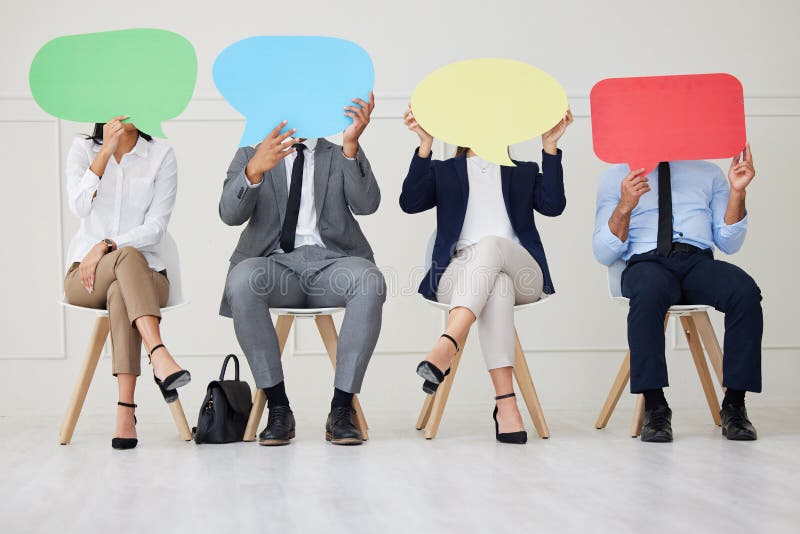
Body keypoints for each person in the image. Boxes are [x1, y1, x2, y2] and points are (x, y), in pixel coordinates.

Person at [219, 93, 385, 447]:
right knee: (243, 279)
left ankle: (341, 410)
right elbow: (228, 215)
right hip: (277, 267)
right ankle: (279, 409)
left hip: (332, 265)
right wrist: (254, 171)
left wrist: (351, 144)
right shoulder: (252, 150)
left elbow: (367, 205)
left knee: (369, 280)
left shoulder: (336, 151)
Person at [400, 105, 572, 443]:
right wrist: (424, 145)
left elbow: (553, 205)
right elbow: (410, 202)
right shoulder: (445, 170)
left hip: (522, 270)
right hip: (459, 276)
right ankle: (506, 405)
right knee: (498, 286)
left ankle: (448, 342)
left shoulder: (522, 171)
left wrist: (550, 146)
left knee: (493, 248)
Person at [593, 145, 761, 442]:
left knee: (744, 291)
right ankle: (655, 407)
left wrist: (738, 192)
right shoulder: (616, 175)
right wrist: (625, 206)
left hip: (697, 261)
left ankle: (734, 405)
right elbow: (605, 253)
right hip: (647, 262)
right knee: (648, 290)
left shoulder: (709, 173)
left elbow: (729, 243)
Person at [64, 116, 190, 450]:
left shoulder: (161, 154)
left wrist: (107, 244)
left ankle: (125, 412)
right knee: (126, 262)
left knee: (127, 269)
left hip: (147, 278)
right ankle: (159, 354)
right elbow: (77, 206)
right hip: (87, 277)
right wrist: (104, 153)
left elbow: (157, 228)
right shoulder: (83, 149)